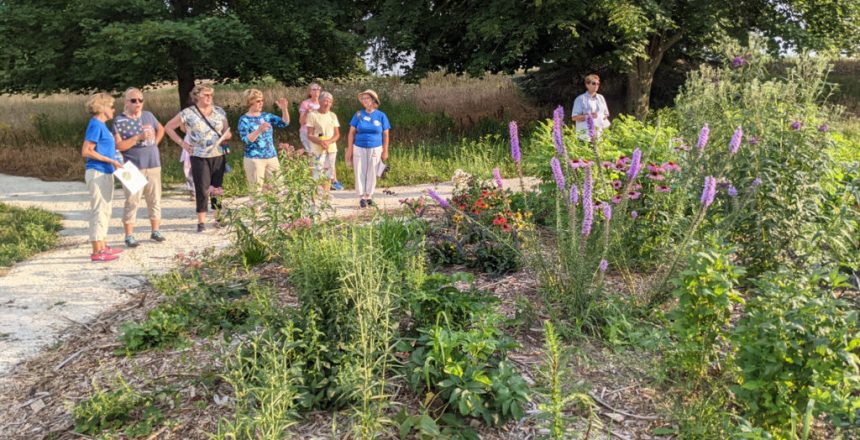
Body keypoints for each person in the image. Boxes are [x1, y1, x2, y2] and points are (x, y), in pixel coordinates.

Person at [164, 85, 232, 232]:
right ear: (197, 96)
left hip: (218, 154)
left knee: (217, 187)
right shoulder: (188, 113)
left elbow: (227, 131)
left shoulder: (219, 111)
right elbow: (168, 127)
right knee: (202, 188)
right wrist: (183, 144)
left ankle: (217, 217)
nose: (209, 98)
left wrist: (227, 136)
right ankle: (201, 222)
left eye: (211, 95)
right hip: (199, 155)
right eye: (206, 95)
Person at [113, 88, 166, 247]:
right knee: (132, 201)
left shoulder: (148, 115)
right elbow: (119, 145)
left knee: (154, 198)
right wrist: (137, 138)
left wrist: (155, 143)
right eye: (133, 100)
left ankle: (155, 231)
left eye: (140, 100)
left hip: (153, 163)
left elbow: (161, 128)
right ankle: (129, 235)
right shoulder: (119, 120)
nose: (138, 103)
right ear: (126, 102)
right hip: (130, 167)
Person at [80, 93, 124, 262]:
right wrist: (110, 160)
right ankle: (97, 251)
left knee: (105, 210)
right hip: (97, 171)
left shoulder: (102, 126)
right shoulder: (96, 125)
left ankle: (103, 245)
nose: (114, 110)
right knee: (99, 210)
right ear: (103, 108)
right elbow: (86, 151)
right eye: (111, 106)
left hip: (106, 171)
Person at [237, 89, 290, 191]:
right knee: (256, 191)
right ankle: (256, 207)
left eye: (262, 100)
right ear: (249, 102)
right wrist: (259, 130)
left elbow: (284, 123)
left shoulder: (267, 116)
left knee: (279, 188)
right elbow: (246, 140)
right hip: (254, 159)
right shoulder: (244, 119)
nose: (261, 103)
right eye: (258, 101)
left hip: (271, 156)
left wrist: (284, 109)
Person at [346, 89, 391, 208]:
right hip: (359, 146)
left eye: (367, 98)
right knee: (359, 170)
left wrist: (385, 150)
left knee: (372, 171)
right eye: (363, 99)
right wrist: (350, 149)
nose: (364, 101)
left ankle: (369, 196)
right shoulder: (358, 114)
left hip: (376, 147)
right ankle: (361, 197)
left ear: (373, 100)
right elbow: (351, 133)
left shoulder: (381, 115)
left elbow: (386, 134)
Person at [299, 83, 343, 190]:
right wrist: (321, 142)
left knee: (328, 173)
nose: (327, 103)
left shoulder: (333, 115)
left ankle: (326, 197)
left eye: (330, 101)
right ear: (320, 101)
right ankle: (315, 196)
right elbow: (310, 134)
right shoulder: (312, 114)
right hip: (317, 148)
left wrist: (328, 142)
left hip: (331, 148)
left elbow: (337, 134)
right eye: (325, 101)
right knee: (317, 173)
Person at [571, 74, 610, 139]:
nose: (596, 85)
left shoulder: (601, 98)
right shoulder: (580, 99)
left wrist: (602, 117)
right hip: (585, 137)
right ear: (587, 85)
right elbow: (574, 117)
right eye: (594, 83)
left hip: (599, 136)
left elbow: (606, 114)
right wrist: (589, 116)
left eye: (598, 84)